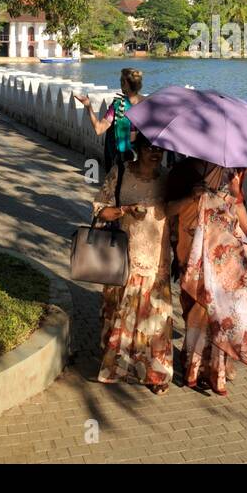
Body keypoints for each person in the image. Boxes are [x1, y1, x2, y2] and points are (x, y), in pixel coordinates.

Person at [90, 133, 174, 395]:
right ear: (137, 148)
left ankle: (156, 372)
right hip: (125, 258)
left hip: (158, 260)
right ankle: (120, 366)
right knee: (122, 313)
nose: (155, 153)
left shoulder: (169, 179)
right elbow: (99, 208)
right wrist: (125, 210)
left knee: (156, 319)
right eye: (149, 147)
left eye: (160, 148)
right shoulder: (121, 172)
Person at [172, 163, 247, 396]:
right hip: (193, 252)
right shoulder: (184, 171)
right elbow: (168, 210)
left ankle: (216, 370)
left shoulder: (232, 172)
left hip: (226, 256)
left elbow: (238, 204)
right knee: (199, 310)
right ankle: (193, 368)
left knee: (224, 312)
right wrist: (192, 197)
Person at [75, 68, 144, 177]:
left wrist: (88, 106)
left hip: (122, 161)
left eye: (121, 81)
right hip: (143, 161)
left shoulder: (118, 105)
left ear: (125, 83)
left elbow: (99, 129)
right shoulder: (149, 105)